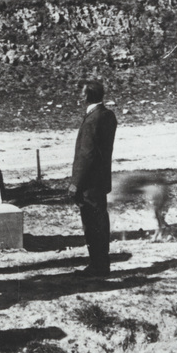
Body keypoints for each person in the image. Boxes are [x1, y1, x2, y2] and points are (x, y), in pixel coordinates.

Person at [69, 79, 118, 276]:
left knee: (91, 224)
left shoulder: (92, 119)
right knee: (101, 222)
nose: (80, 96)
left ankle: (96, 265)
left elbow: (86, 155)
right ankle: (102, 262)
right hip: (101, 180)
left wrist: (75, 183)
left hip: (89, 183)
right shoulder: (108, 115)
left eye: (82, 93)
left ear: (87, 96)